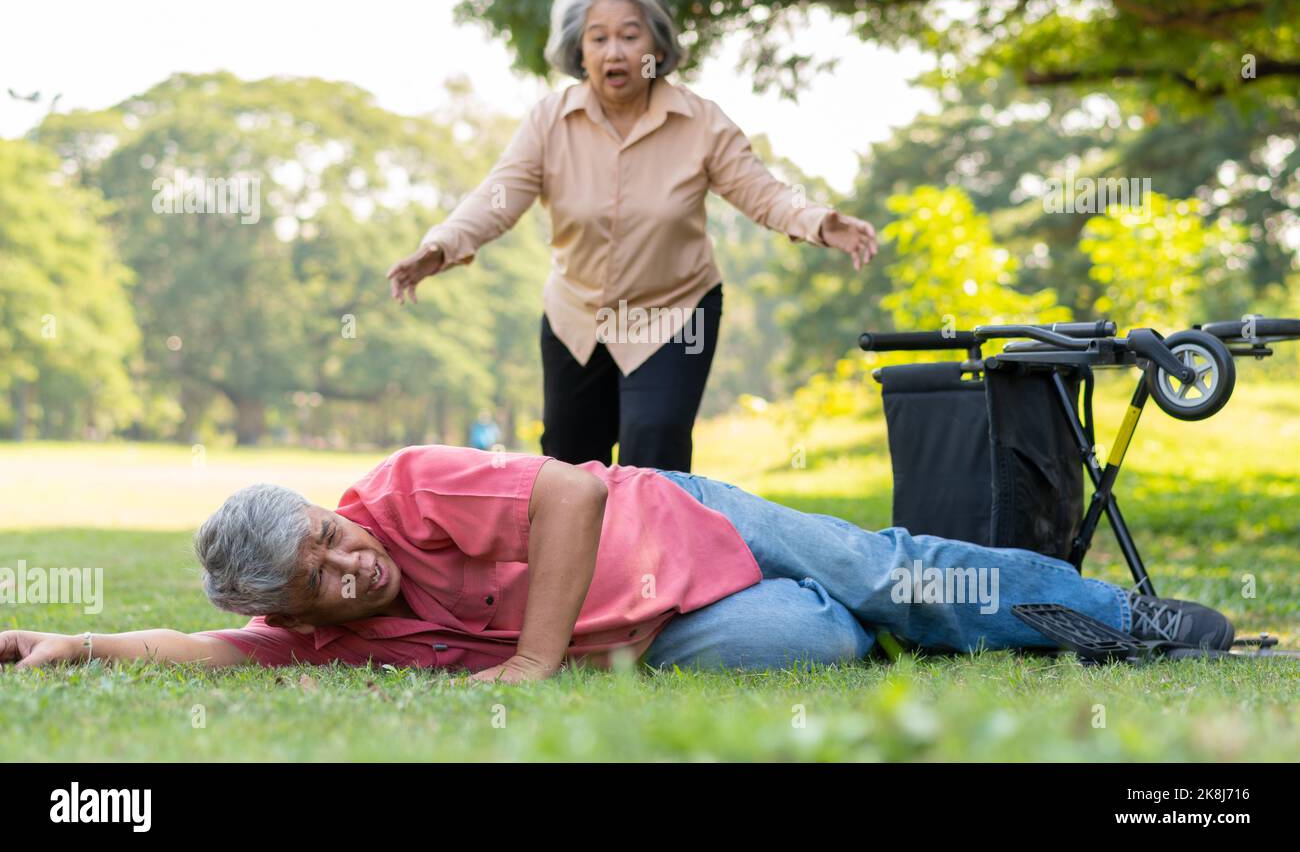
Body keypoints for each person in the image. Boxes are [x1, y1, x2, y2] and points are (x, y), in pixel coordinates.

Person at [1, 445, 1234, 680]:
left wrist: (537, 656)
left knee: (887, 571)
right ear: (295, 611)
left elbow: (571, 488)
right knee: (817, 640)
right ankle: (864, 619)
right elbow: (210, 646)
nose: (349, 565)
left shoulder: (408, 485)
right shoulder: (314, 635)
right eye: (316, 578)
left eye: (331, 536)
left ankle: (1120, 617)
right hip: (649, 624)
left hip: (669, 517)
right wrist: (80, 640)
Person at [385, 0, 877, 472]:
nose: (614, 52)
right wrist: (439, 247)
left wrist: (819, 221)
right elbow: (497, 196)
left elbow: (762, 191)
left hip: (674, 312)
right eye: (598, 38)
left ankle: (656, 529)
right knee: (569, 465)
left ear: (657, 48)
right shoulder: (550, 122)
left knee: (654, 445)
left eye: (629, 35)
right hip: (577, 314)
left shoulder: (700, 122)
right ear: (579, 51)